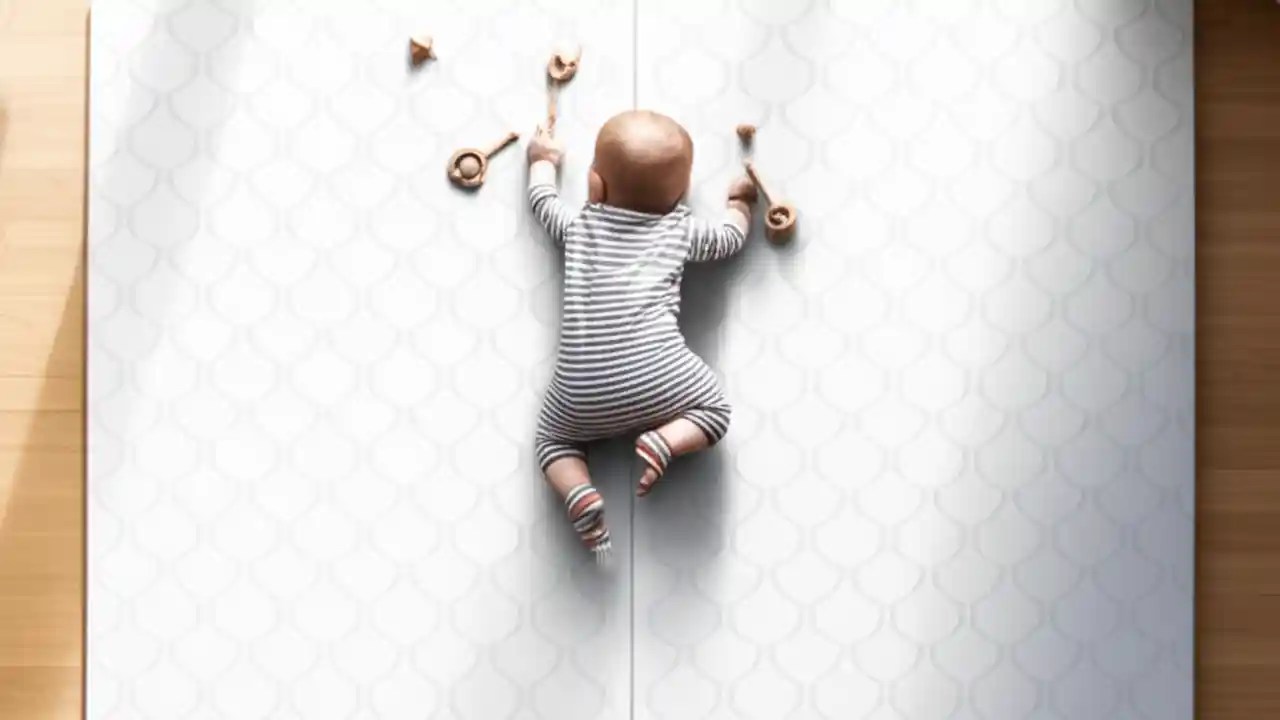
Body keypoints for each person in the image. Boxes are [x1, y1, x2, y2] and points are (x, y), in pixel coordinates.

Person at [526, 110, 758, 562]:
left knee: (553, 441)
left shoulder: (579, 228)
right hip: (660, 377)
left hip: (580, 390)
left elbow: (541, 200)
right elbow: (731, 239)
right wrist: (740, 202)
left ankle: (580, 495)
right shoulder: (679, 230)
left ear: (596, 187)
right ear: (681, 197)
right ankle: (664, 440)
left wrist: (542, 159)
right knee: (714, 410)